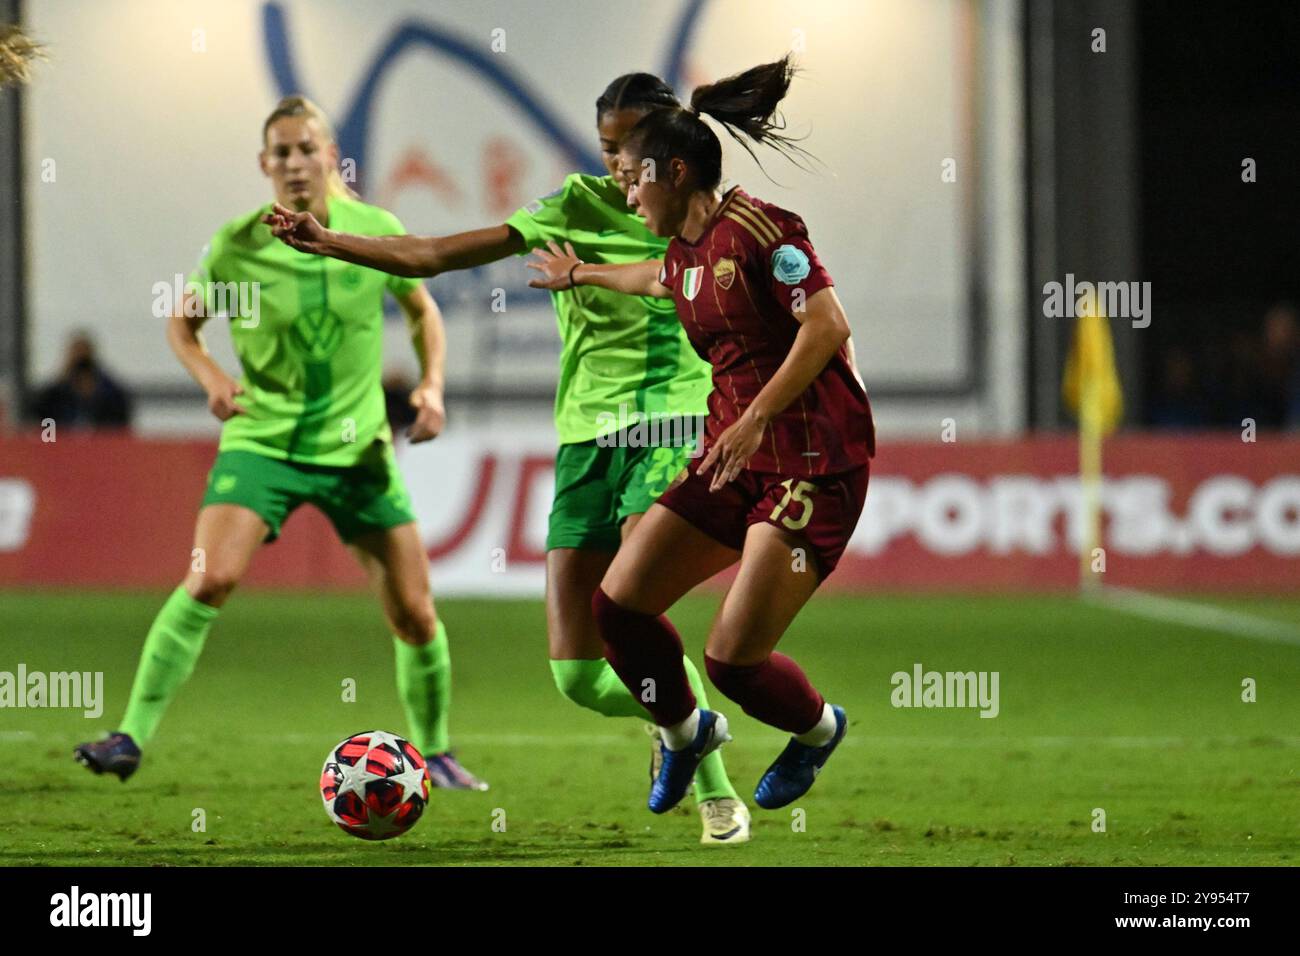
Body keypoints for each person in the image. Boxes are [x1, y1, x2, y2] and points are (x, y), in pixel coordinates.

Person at [263, 74, 750, 844]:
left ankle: (716, 793)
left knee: (634, 607)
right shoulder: (575, 207)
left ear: (670, 151)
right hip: (585, 439)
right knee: (580, 678)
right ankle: (685, 721)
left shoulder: (708, 217)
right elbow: (432, 252)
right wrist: (333, 242)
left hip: (671, 423)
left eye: (628, 149)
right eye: (606, 148)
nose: (617, 164)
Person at [74, 96, 486, 791]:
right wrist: (209, 374)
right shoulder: (238, 243)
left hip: (357, 451)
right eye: (283, 152)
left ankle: (437, 753)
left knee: (415, 611)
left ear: (331, 157)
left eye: (307, 149)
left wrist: (433, 386)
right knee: (209, 577)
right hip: (262, 443)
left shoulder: (372, 229)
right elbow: (183, 325)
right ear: (265, 164)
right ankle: (129, 736)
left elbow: (423, 311)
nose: (296, 163)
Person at [525, 55, 875, 814]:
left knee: (731, 661)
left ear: (676, 172)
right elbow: (656, 279)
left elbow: (827, 324)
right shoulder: (682, 252)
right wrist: (581, 273)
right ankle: (684, 734)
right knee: (617, 606)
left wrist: (755, 418)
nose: (625, 188)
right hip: (734, 460)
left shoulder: (763, 230)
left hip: (811, 471)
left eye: (634, 177)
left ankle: (818, 731)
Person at [29, 332, 133, 430]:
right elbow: (37, 415)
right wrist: (61, 379)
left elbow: (119, 427)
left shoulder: (113, 396)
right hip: (62, 445)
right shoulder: (55, 397)